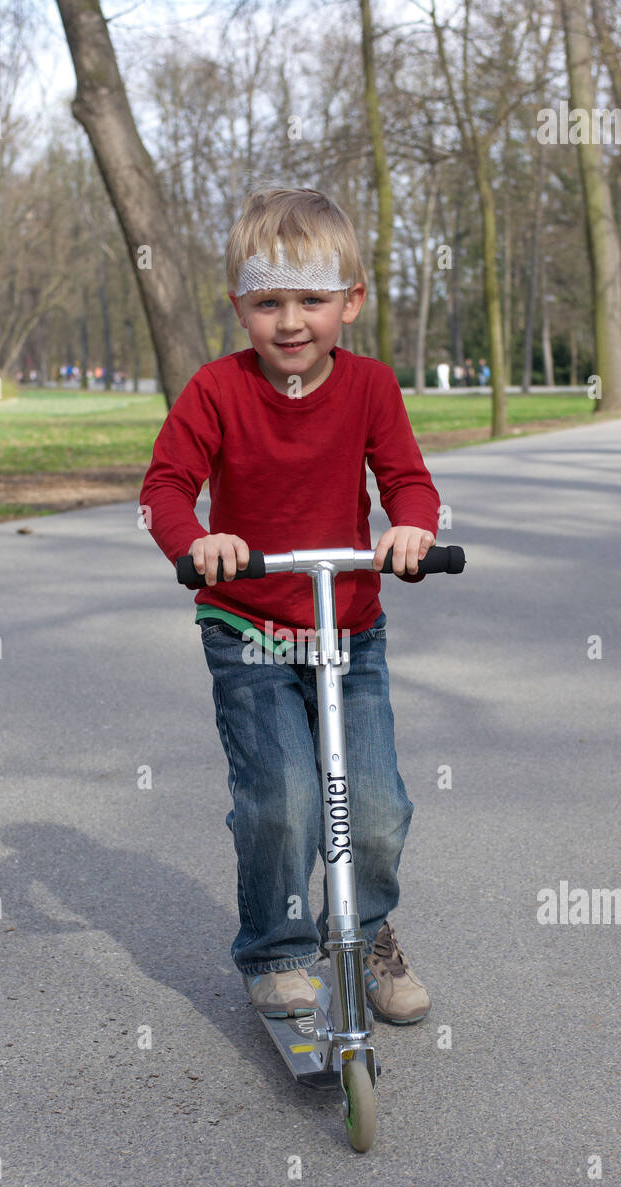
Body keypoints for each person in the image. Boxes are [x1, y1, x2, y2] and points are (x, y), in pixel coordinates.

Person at [140, 186, 442, 1024]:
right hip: (249, 632)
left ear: (352, 301)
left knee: (376, 809)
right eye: (268, 302)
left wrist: (411, 529)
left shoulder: (372, 388)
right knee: (284, 800)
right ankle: (274, 949)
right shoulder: (217, 391)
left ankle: (366, 932)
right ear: (240, 306)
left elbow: (407, 481)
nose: (291, 321)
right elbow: (167, 486)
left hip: (350, 632)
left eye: (312, 299)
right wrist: (195, 543)